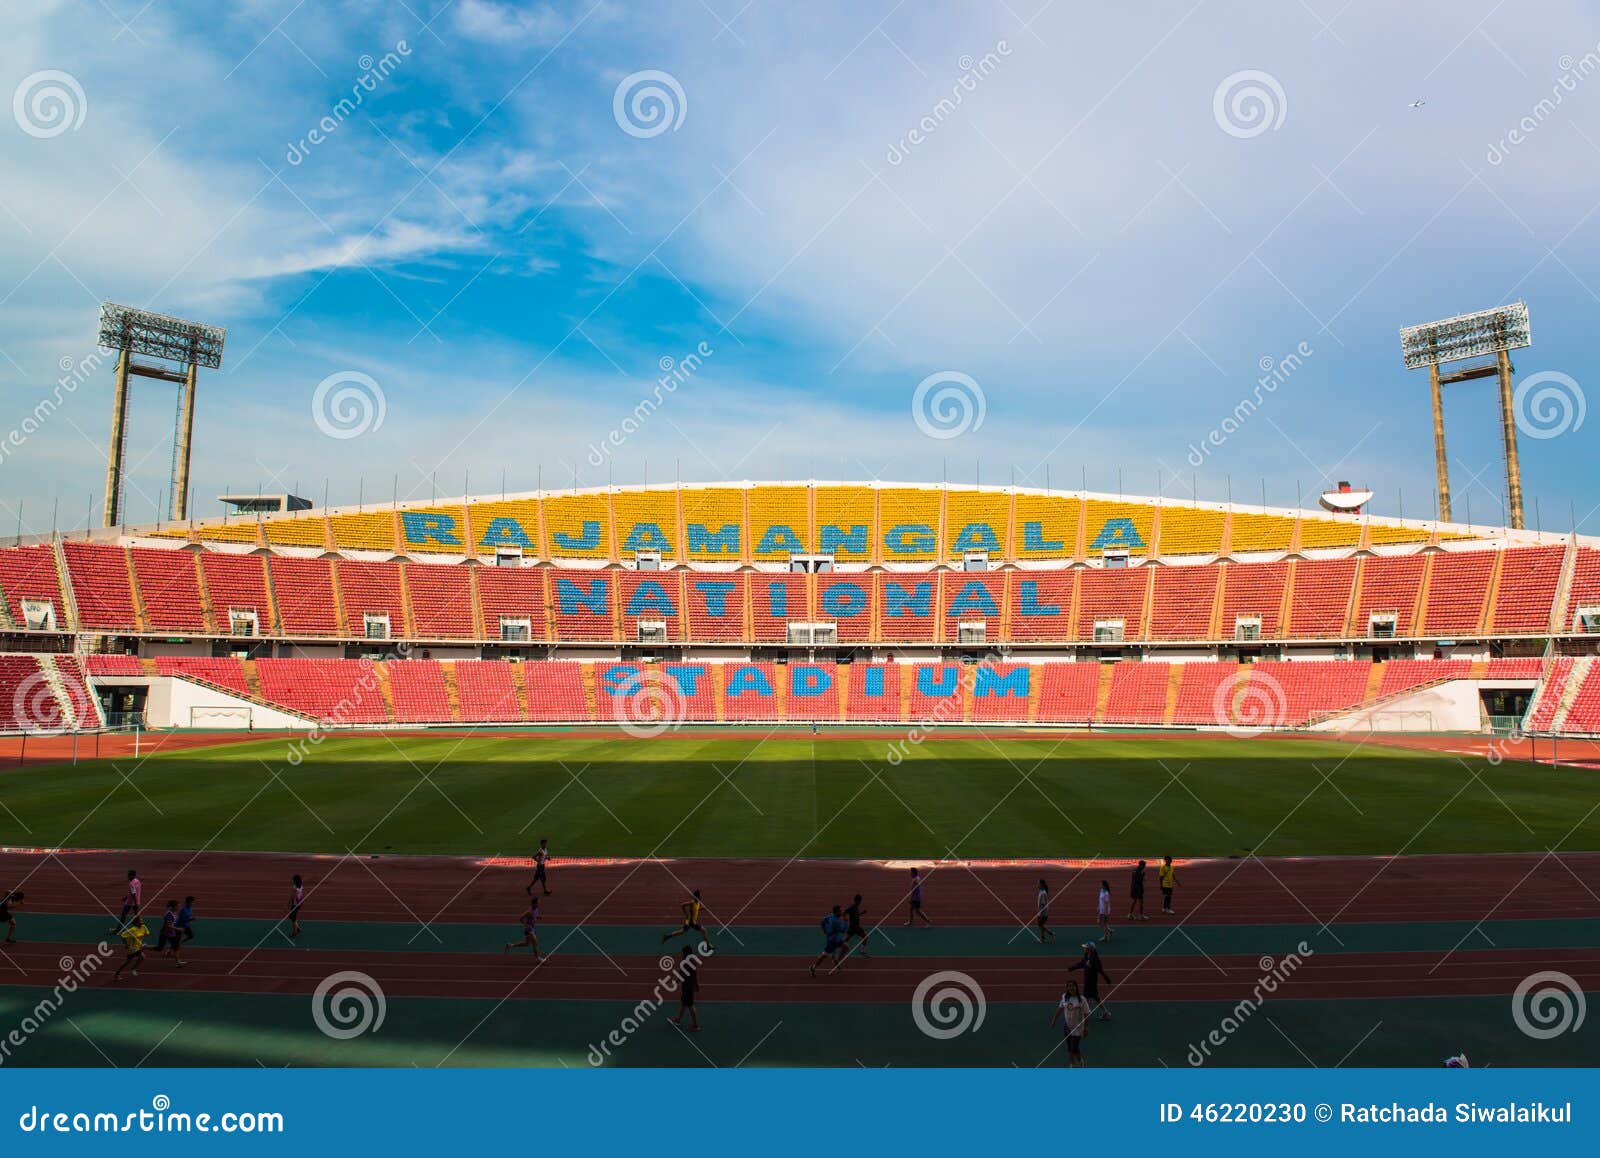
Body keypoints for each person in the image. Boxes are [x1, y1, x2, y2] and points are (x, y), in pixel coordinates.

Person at [1049, 979, 1092, 1067]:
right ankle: (1072, 1063)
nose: (1071, 988)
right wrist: (1054, 1020)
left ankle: (1079, 1061)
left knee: (1074, 1047)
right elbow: (1060, 1009)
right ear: (1067, 988)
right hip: (1067, 1026)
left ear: (1076, 987)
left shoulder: (1082, 999)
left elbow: (1087, 1013)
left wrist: (1086, 1028)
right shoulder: (1064, 997)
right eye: (1069, 986)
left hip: (1078, 1027)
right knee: (1070, 1047)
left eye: (1073, 986)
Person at [1069, 939, 1113, 1021]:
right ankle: (1105, 1013)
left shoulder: (1095, 959)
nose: (1084, 948)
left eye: (1086, 947)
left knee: (1086, 998)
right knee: (1095, 997)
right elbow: (1082, 964)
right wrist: (1073, 968)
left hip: (1091, 981)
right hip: (1087, 979)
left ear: (1090, 949)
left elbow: (1100, 970)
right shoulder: (1086, 955)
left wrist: (1107, 979)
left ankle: (1083, 1015)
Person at [670, 945, 702, 1031]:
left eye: (683, 953)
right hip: (689, 986)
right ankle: (678, 1020)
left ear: (685, 953)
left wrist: (676, 982)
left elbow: (681, 975)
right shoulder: (693, 961)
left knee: (690, 1006)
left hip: (687, 987)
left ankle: (695, 1025)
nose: (682, 954)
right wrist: (696, 985)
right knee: (683, 1004)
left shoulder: (685, 962)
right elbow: (694, 975)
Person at [810, 905, 847, 977]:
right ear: (836, 912)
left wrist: (825, 931)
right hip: (832, 941)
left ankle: (836, 961)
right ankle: (813, 967)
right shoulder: (836, 921)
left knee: (845, 947)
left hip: (835, 938)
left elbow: (822, 922)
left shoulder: (830, 916)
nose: (841, 911)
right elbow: (843, 930)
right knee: (824, 955)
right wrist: (846, 921)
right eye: (840, 911)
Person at [112, 915, 150, 981]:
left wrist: (143, 944)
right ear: (135, 923)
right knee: (127, 962)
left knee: (142, 957)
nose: (141, 922)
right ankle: (116, 974)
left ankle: (133, 968)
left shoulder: (143, 927)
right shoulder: (132, 930)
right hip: (132, 948)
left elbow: (147, 933)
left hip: (139, 946)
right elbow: (122, 935)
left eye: (141, 920)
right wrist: (126, 944)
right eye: (140, 921)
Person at [155, 900, 186, 967]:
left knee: (176, 947)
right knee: (159, 948)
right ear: (173, 907)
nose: (179, 907)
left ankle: (178, 962)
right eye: (178, 906)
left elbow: (173, 923)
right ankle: (144, 947)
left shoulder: (173, 913)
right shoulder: (169, 914)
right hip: (166, 933)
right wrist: (179, 929)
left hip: (171, 933)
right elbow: (168, 926)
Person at [111, 869, 141, 933]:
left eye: (128, 875)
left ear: (131, 876)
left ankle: (118, 929)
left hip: (130, 902)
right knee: (137, 915)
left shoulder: (131, 883)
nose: (127, 876)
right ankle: (140, 929)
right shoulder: (137, 881)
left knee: (123, 915)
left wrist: (134, 903)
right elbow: (133, 892)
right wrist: (126, 897)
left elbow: (133, 894)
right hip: (136, 901)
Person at [843, 893, 871, 960]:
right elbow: (845, 912)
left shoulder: (856, 907)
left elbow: (856, 915)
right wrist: (845, 918)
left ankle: (862, 951)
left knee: (845, 940)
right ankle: (862, 951)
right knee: (865, 937)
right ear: (856, 900)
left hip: (854, 927)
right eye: (859, 901)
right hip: (854, 927)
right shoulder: (852, 907)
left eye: (860, 901)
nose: (860, 902)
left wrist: (862, 913)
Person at [287, 874, 304, 939]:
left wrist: (287, 904)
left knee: (293, 918)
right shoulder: (301, 886)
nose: (292, 880)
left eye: (293, 879)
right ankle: (298, 928)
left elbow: (292, 896)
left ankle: (295, 932)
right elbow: (301, 894)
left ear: (295, 880)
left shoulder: (295, 887)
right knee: (291, 916)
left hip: (295, 904)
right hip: (299, 903)